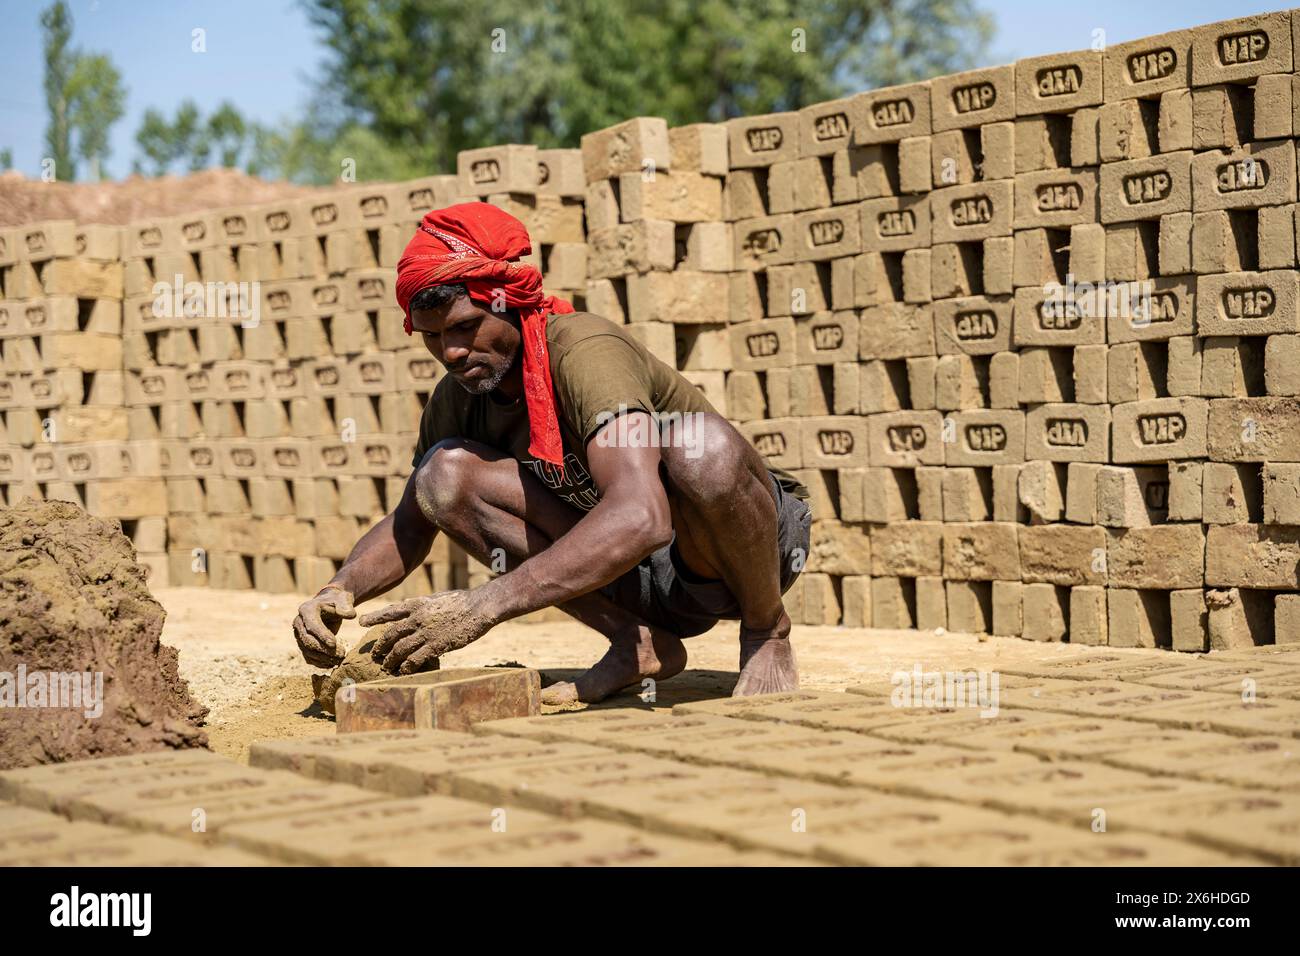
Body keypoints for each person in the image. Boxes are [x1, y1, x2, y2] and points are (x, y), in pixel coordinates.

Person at [292, 202, 811, 703]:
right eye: (432, 337)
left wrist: (481, 606)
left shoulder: (585, 353)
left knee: (702, 448)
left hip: (725, 555)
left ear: (508, 302)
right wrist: (340, 589)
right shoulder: (461, 395)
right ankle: (638, 643)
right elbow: (410, 521)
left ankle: (768, 629)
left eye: (465, 327)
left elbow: (643, 517)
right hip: (626, 576)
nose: (449, 352)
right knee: (441, 476)